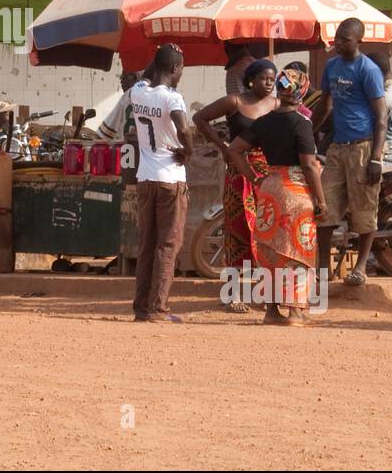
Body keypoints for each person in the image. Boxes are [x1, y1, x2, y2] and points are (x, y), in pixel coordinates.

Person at [229, 67, 326, 325]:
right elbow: (308, 165)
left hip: (270, 189)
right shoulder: (302, 124)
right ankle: (295, 311)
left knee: (270, 250)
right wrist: (321, 200)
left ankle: (271, 311)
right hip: (296, 191)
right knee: (297, 249)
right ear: (302, 91)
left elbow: (235, 149)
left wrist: (253, 177)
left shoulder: (264, 122)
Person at [194, 58, 279, 312]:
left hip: (267, 176)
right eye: (264, 78)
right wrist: (221, 146)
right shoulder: (235, 102)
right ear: (251, 79)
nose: (268, 83)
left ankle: (266, 294)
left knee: (267, 233)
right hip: (238, 173)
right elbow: (200, 118)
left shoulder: (277, 105)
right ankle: (231, 294)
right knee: (236, 232)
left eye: (272, 79)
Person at [311, 18, 388, 285]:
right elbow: (325, 105)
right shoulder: (331, 66)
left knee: (364, 209)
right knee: (324, 207)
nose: (339, 43)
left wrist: (376, 158)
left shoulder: (369, 70)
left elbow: (381, 116)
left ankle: (361, 267)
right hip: (337, 147)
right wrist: (308, 133)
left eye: (345, 39)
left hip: (363, 148)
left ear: (359, 41)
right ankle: (322, 269)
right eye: (338, 38)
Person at [129, 44, 194, 323]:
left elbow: (147, 73)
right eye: (180, 69)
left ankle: (141, 307)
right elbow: (184, 128)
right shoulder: (173, 99)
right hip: (170, 179)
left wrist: (158, 54)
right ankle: (158, 308)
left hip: (145, 178)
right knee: (167, 245)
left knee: (146, 245)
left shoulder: (137, 91)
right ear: (175, 69)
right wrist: (187, 151)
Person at [99, 70, 143, 141]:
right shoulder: (155, 94)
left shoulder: (127, 95)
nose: (121, 81)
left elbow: (105, 132)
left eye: (123, 77)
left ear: (135, 77)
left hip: (128, 149)